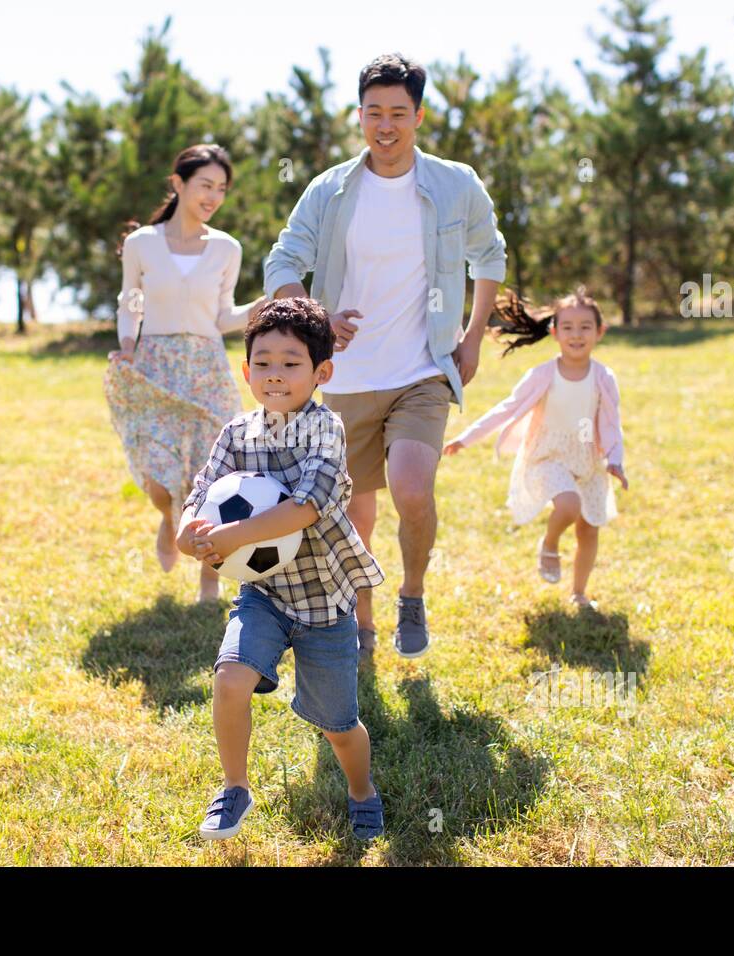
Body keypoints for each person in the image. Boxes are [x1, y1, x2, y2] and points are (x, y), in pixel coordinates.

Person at [263, 53, 507, 660]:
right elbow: (282, 263)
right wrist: (316, 320)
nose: (386, 125)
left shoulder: (455, 184)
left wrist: (472, 337)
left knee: (412, 488)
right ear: (360, 116)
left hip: (422, 370)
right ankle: (362, 625)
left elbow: (491, 258)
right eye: (375, 113)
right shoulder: (330, 189)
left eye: (399, 112)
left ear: (419, 115)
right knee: (354, 518)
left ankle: (413, 594)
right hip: (343, 379)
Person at [176, 297, 387, 841]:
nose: (275, 375)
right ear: (246, 370)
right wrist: (189, 532)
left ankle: (362, 791)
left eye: (291, 363)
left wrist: (231, 535)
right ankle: (234, 787)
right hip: (263, 593)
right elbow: (203, 494)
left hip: (323, 599)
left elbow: (306, 506)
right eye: (263, 362)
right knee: (229, 678)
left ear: (322, 373)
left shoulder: (326, 429)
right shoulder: (235, 434)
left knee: (337, 726)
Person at [105, 144, 266, 603]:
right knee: (160, 479)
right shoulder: (142, 244)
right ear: (178, 184)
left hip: (207, 367)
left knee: (211, 475)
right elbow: (130, 302)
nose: (213, 196)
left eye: (221, 189)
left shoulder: (226, 248)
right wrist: (129, 347)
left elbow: (220, 317)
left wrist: (255, 309)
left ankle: (209, 578)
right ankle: (169, 516)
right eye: (204, 186)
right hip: (154, 363)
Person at [443, 288, 629, 609]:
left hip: (589, 461)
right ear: (554, 332)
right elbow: (507, 408)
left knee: (589, 529)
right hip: (548, 456)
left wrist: (615, 460)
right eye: (568, 327)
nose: (577, 334)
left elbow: (612, 422)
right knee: (568, 505)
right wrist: (467, 437)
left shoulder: (603, 377)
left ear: (600, 331)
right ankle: (550, 543)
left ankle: (579, 593)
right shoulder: (543, 374)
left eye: (585, 327)